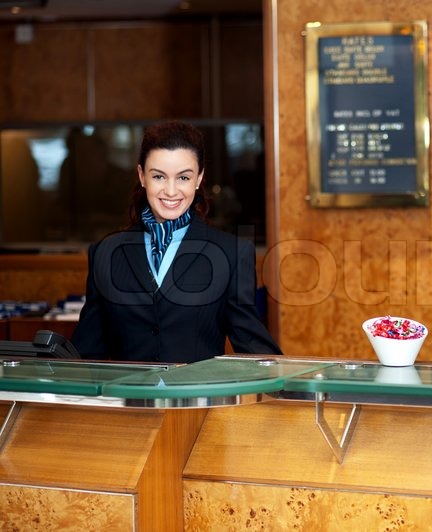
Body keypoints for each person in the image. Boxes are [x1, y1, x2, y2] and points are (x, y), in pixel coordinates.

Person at [72, 120, 281, 363]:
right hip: (128, 399)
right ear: (142, 176)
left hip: (199, 399)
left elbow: (252, 344)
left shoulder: (232, 253)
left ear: (199, 178)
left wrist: (295, 386)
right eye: (159, 176)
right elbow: (86, 351)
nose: (171, 191)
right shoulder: (104, 253)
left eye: (183, 178)